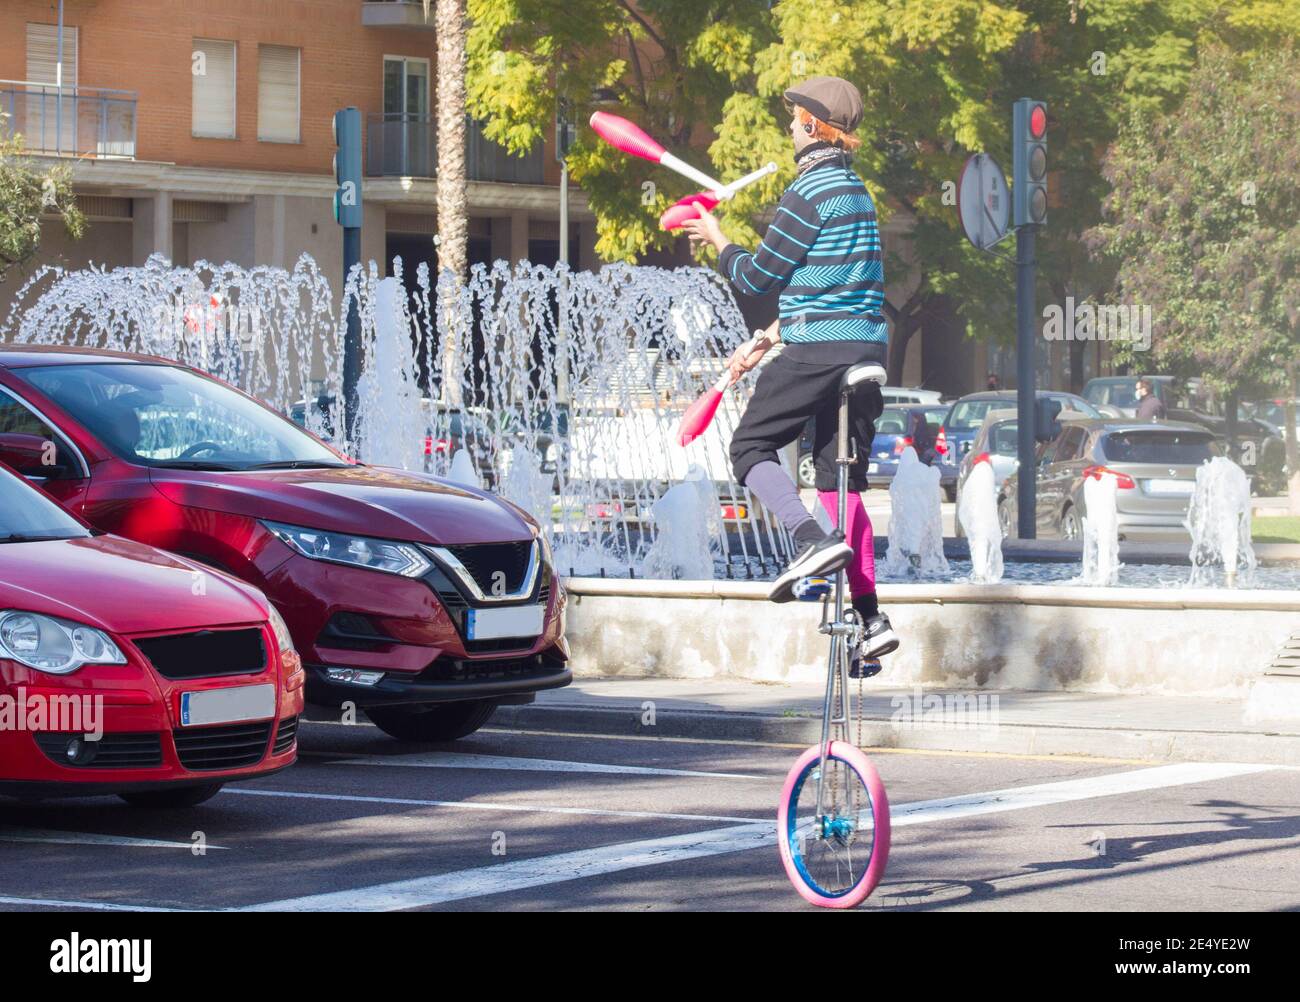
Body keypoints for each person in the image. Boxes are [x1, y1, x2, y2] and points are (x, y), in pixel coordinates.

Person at [681, 75, 898, 662]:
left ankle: (808, 540)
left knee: (750, 448)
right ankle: (872, 618)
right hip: (866, 351)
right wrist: (765, 338)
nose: (788, 125)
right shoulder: (857, 193)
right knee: (839, 483)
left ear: (811, 125)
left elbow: (755, 277)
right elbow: (834, 285)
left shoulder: (808, 192)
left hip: (819, 352)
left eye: (794, 116)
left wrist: (717, 236)